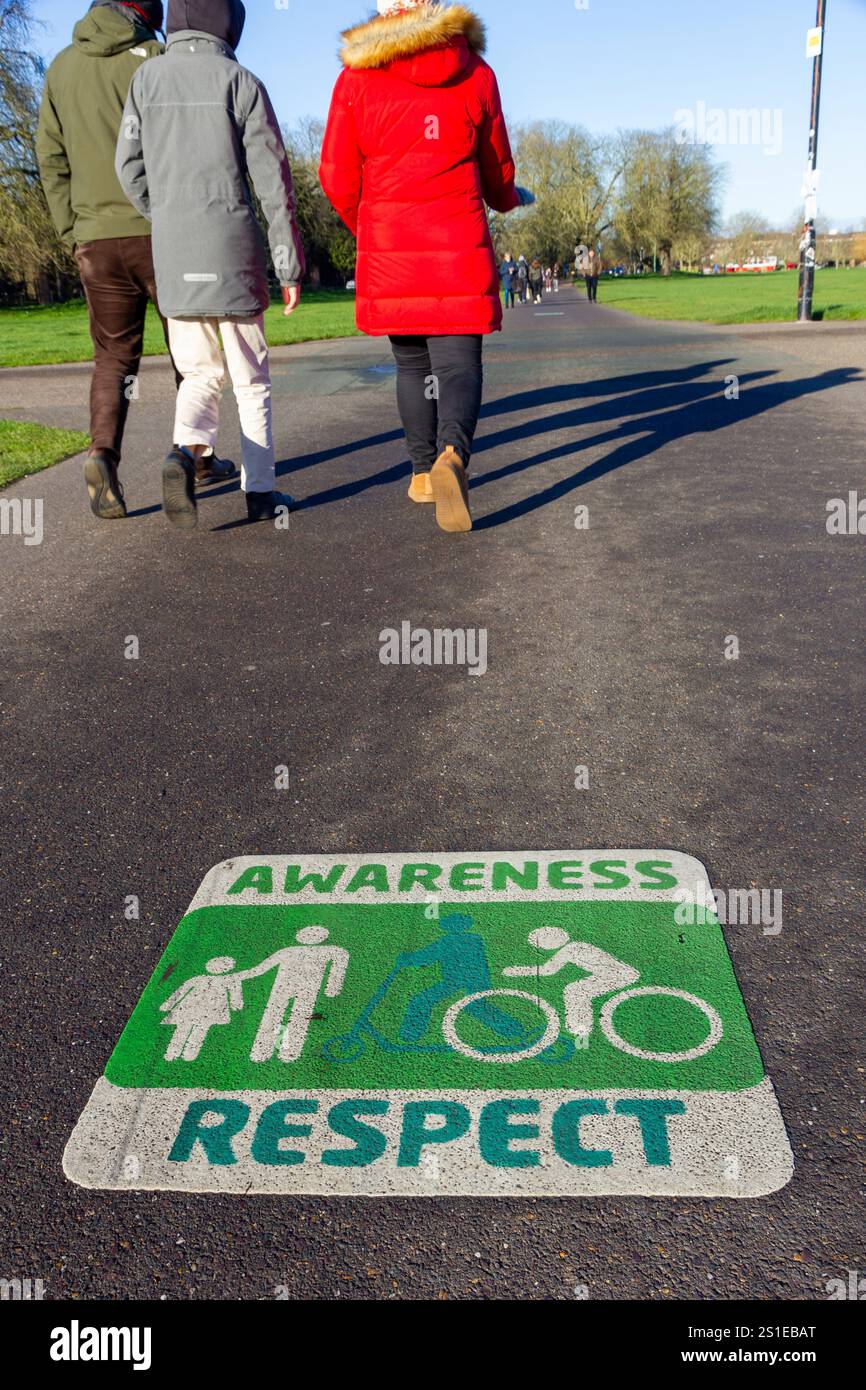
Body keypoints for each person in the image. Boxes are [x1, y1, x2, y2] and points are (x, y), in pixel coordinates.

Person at [320, 0, 532, 534]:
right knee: (459, 367)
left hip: (392, 248)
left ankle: (419, 472)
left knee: (413, 367)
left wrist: (370, 227)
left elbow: (336, 175)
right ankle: (452, 456)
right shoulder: (477, 73)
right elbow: (496, 168)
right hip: (457, 242)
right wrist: (511, 199)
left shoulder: (356, 78)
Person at [36, 0, 234, 522]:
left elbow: (50, 157)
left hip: (95, 240)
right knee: (188, 349)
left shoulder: (60, 66)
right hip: (162, 231)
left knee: (114, 358)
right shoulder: (156, 58)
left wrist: (71, 229)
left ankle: (103, 455)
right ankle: (195, 458)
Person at [116, 0, 305, 528]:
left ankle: (184, 453)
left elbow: (127, 167)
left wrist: (169, 213)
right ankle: (261, 492)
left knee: (198, 373)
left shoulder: (144, 81)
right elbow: (273, 183)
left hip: (175, 253)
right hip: (233, 252)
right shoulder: (242, 82)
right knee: (251, 379)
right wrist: (287, 264)